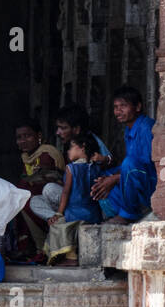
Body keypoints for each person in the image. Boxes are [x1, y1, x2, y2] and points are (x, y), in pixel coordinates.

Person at [32, 105, 112, 223]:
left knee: (48, 190)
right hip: (79, 200)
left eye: (63, 128)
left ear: (76, 129)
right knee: (35, 201)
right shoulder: (74, 147)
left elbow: (106, 166)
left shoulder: (91, 144)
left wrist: (105, 160)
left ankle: (61, 218)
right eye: (58, 128)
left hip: (93, 203)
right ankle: (59, 218)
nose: (58, 132)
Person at [91, 85, 157, 224]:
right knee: (102, 178)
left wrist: (115, 179)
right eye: (116, 107)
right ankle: (127, 211)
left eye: (123, 106)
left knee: (127, 164)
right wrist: (108, 178)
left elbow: (145, 165)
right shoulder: (129, 129)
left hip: (152, 180)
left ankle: (128, 214)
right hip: (137, 174)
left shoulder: (146, 128)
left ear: (137, 107)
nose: (118, 111)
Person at [44, 135, 104, 264]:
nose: (68, 151)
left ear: (82, 148)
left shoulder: (71, 168)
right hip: (93, 213)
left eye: (71, 147)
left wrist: (59, 213)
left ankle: (71, 257)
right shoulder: (96, 167)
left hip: (75, 213)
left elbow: (65, 192)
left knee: (57, 225)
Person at [11, 121, 65, 258]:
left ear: (38, 136)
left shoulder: (47, 153)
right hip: (37, 200)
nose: (23, 141)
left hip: (56, 201)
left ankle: (39, 248)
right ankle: (28, 246)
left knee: (24, 198)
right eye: (19, 138)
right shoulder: (26, 158)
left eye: (27, 136)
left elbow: (43, 182)